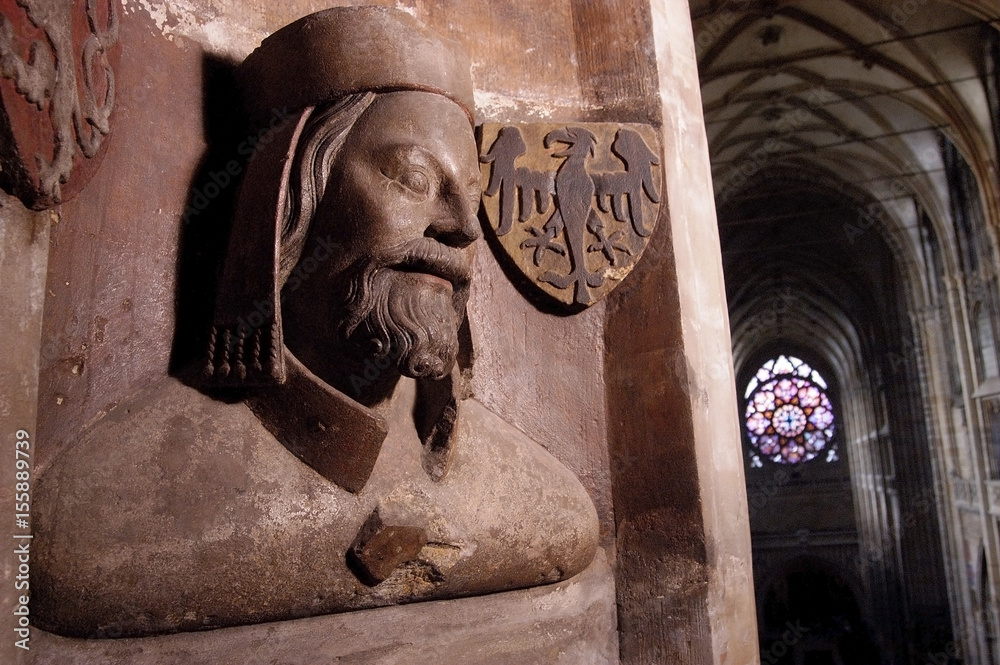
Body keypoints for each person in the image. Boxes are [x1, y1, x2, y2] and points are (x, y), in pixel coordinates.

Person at [33, 7, 598, 639]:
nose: (463, 228)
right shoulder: (96, 520)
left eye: (472, 195)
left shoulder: (542, 502)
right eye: (413, 179)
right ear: (292, 197)